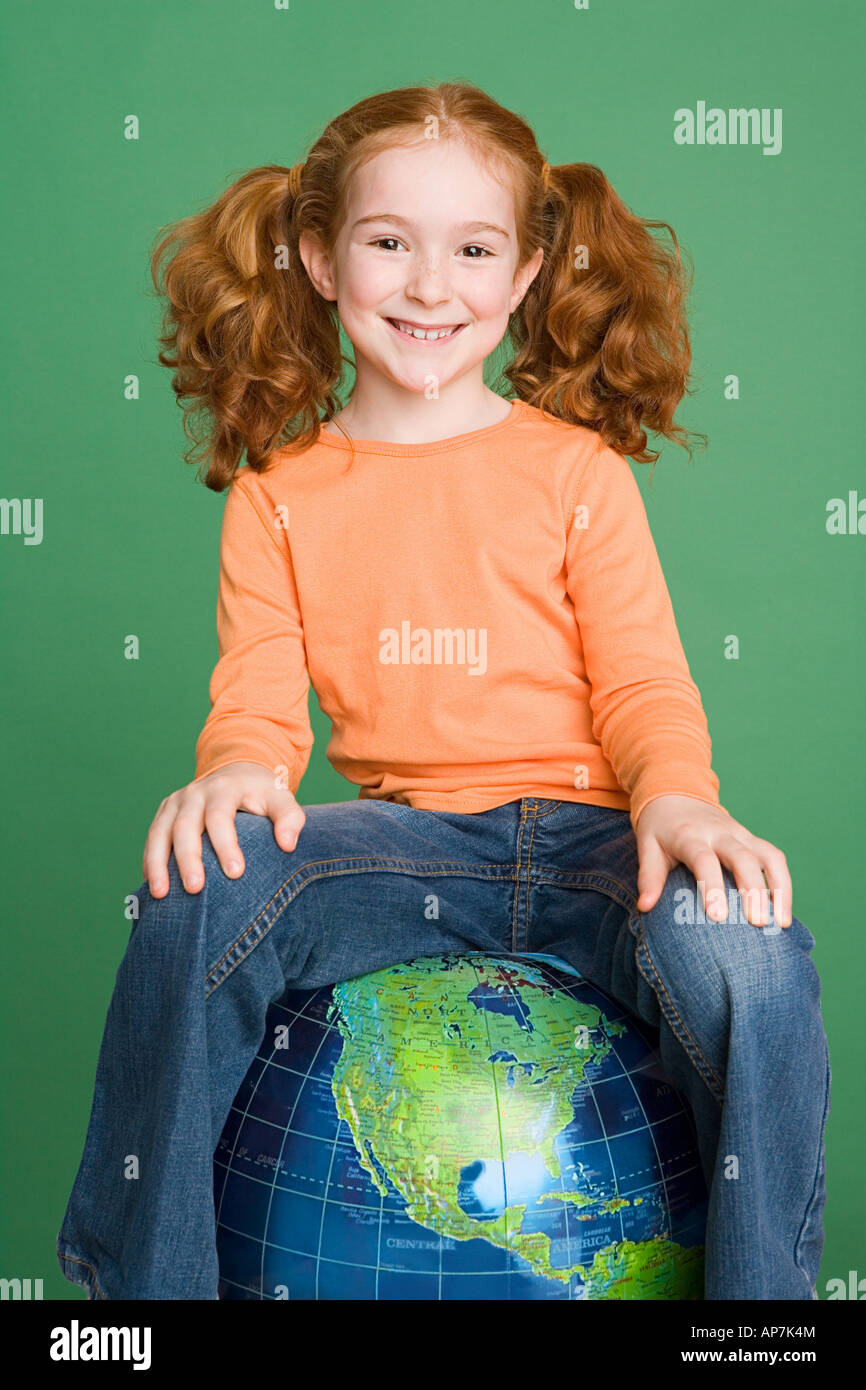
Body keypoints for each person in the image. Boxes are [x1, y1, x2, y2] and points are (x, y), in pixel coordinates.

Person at [56, 81, 830, 1301]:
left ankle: (760, 1323)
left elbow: (640, 680)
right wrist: (238, 773)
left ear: (523, 275)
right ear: (318, 256)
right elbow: (258, 692)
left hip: (594, 852)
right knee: (192, 894)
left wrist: (680, 801)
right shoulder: (277, 492)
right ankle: (135, 1309)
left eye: (472, 250)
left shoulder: (574, 472)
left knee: (749, 959)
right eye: (386, 243)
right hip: (395, 855)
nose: (430, 286)